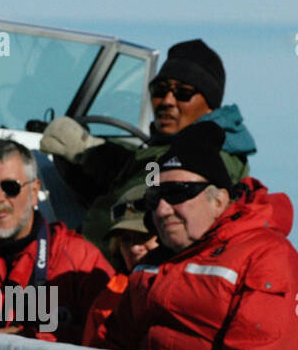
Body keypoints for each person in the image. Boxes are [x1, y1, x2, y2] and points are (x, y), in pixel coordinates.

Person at [89, 121, 298, 350]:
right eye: (155, 198)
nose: (162, 210)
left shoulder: (268, 258)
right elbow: (111, 349)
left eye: (177, 193)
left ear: (218, 200)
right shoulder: (153, 265)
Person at [40, 38, 257, 254]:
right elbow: (147, 173)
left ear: (210, 105)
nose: (167, 101)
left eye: (183, 93)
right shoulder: (166, 147)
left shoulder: (210, 157)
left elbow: (147, 195)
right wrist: (94, 154)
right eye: (160, 90)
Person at [0, 137, 113, 345]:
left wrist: (26, 341)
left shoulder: (81, 260)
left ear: (34, 191)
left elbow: (109, 341)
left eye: (10, 187)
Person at [81, 201, 157, 346]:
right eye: (126, 240)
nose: (134, 249)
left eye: (144, 236)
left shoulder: (192, 286)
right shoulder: (107, 299)